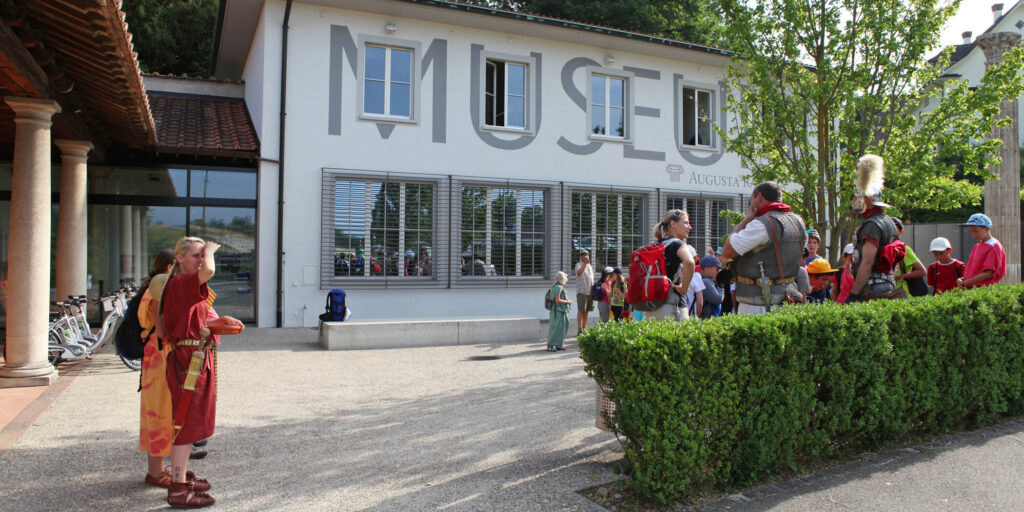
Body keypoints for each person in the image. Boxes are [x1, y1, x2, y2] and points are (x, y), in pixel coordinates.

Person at [159, 237, 243, 508]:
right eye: (196, 255)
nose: (200, 260)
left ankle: (181, 476)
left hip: (194, 356)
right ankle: (178, 488)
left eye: (202, 255)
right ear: (180, 259)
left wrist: (220, 322)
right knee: (185, 424)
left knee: (192, 422)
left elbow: (196, 321)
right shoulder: (181, 283)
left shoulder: (187, 286)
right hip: (188, 361)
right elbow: (209, 271)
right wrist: (212, 250)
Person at [140, 250, 211, 491]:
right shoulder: (162, 286)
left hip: (161, 354)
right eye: (195, 256)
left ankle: (162, 469)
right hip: (163, 355)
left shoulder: (162, 285)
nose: (199, 262)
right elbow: (162, 330)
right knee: (163, 413)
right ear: (175, 263)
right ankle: (156, 471)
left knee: (168, 412)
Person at [721, 181, 808, 314]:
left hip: (758, 302)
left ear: (759, 197)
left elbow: (727, 250)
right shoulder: (798, 223)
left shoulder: (761, 224)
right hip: (788, 299)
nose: (751, 205)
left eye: (752, 200)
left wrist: (746, 220)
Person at [846, 155, 903, 303]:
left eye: (857, 197)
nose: (854, 201)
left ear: (868, 200)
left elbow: (868, 262)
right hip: (887, 284)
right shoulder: (888, 221)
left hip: (873, 288)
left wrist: (853, 293)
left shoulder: (872, 225)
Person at [647, 209, 695, 321]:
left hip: (650, 306)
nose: (690, 227)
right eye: (686, 223)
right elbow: (689, 262)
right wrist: (684, 288)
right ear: (673, 224)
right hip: (672, 307)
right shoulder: (678, 244)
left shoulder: (654, 245)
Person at [958, 213, 1007, 288]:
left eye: (976, 231)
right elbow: (972, 270)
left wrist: (966, 282)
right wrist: (962, 279)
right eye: (971, 231)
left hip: (982, 289)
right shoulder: (977, 246)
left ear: (987, 229)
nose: (973, 235)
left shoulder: (994, 246)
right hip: (971, 287)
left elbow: (988, 274)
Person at [891, 218, 927, 296]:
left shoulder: (905, 249)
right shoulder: (878, 248)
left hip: (901, 294)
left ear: (901, 232)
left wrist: (899, 276)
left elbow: (922, 271)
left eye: (894, 229)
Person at [547, 271, 573, 351]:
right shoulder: (558, 287)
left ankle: (558, 345)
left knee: (561, 328)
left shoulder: (557, 286)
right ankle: (551, 345)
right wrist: (567, 301)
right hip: (558, 310)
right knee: (556, 328)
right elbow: (557, 300)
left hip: (559, 310)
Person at [574, 250, 594, 334]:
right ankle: (579, 329)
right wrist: (585, 264)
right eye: (584, 256)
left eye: (587, 255)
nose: (586, 257)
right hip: (582, 291)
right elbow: (579, 273)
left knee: (587, 311)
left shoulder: (590, 266)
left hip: (590, 292)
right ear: (581, 257)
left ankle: (584, 328)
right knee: (581, 310)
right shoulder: (578, 265)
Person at [684, 246, 705, 319]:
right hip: (692, 317)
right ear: (695, 259)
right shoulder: (696, 276)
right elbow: (700, 302)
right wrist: (697, 315)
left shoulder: (675, 275)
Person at [715, 248, 734, 315]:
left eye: (719, 255)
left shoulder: (731, 273)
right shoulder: (719, 271)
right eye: (716, 255)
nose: (717, 257)